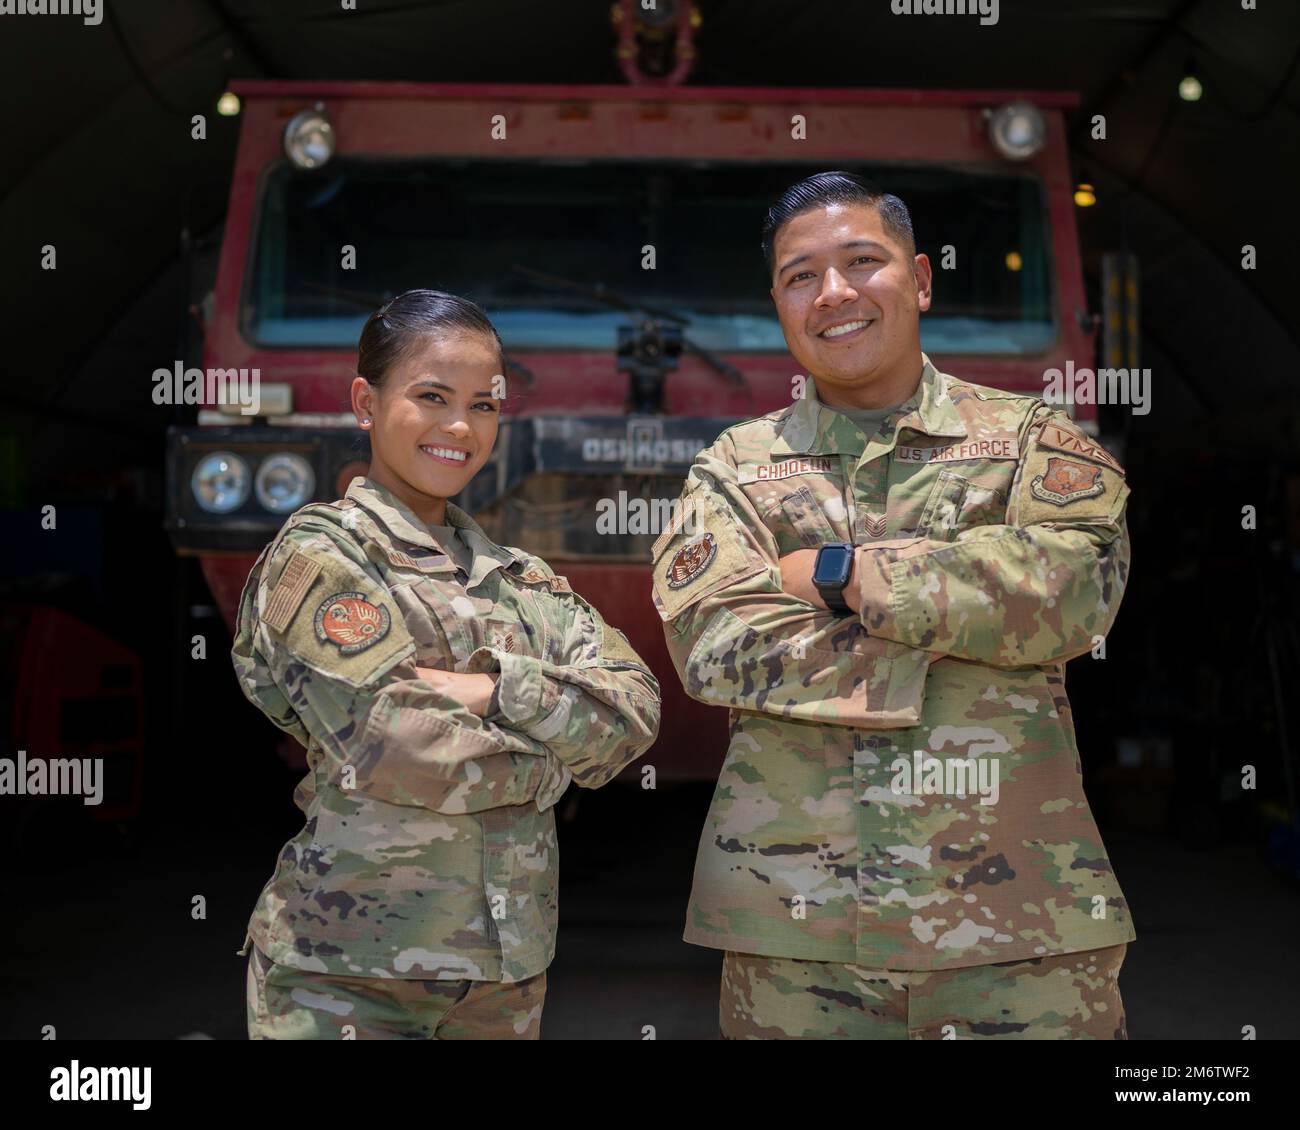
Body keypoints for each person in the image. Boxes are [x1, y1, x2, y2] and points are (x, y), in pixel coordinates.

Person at [652, 171, 1135, 1040]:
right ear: (779, 303)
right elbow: (713, 644)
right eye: (801, 275)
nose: (833, 292)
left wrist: (842, 580)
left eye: (862, 261)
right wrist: (972, 622)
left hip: (1018, 926)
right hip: (796, 939)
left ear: (918, 280)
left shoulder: (1032, 438)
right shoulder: (733, 468)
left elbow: (1076, 593)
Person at [233, 289, 661, 1039]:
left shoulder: (521, 576)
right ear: (366, 402)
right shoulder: (323, 557)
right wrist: (555, 763)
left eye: (484, 405)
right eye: (431, 397)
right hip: (351, 978)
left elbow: (635, 711)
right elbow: (397, 743)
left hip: (503, 984)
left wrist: (493, 691)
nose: (460, 427)